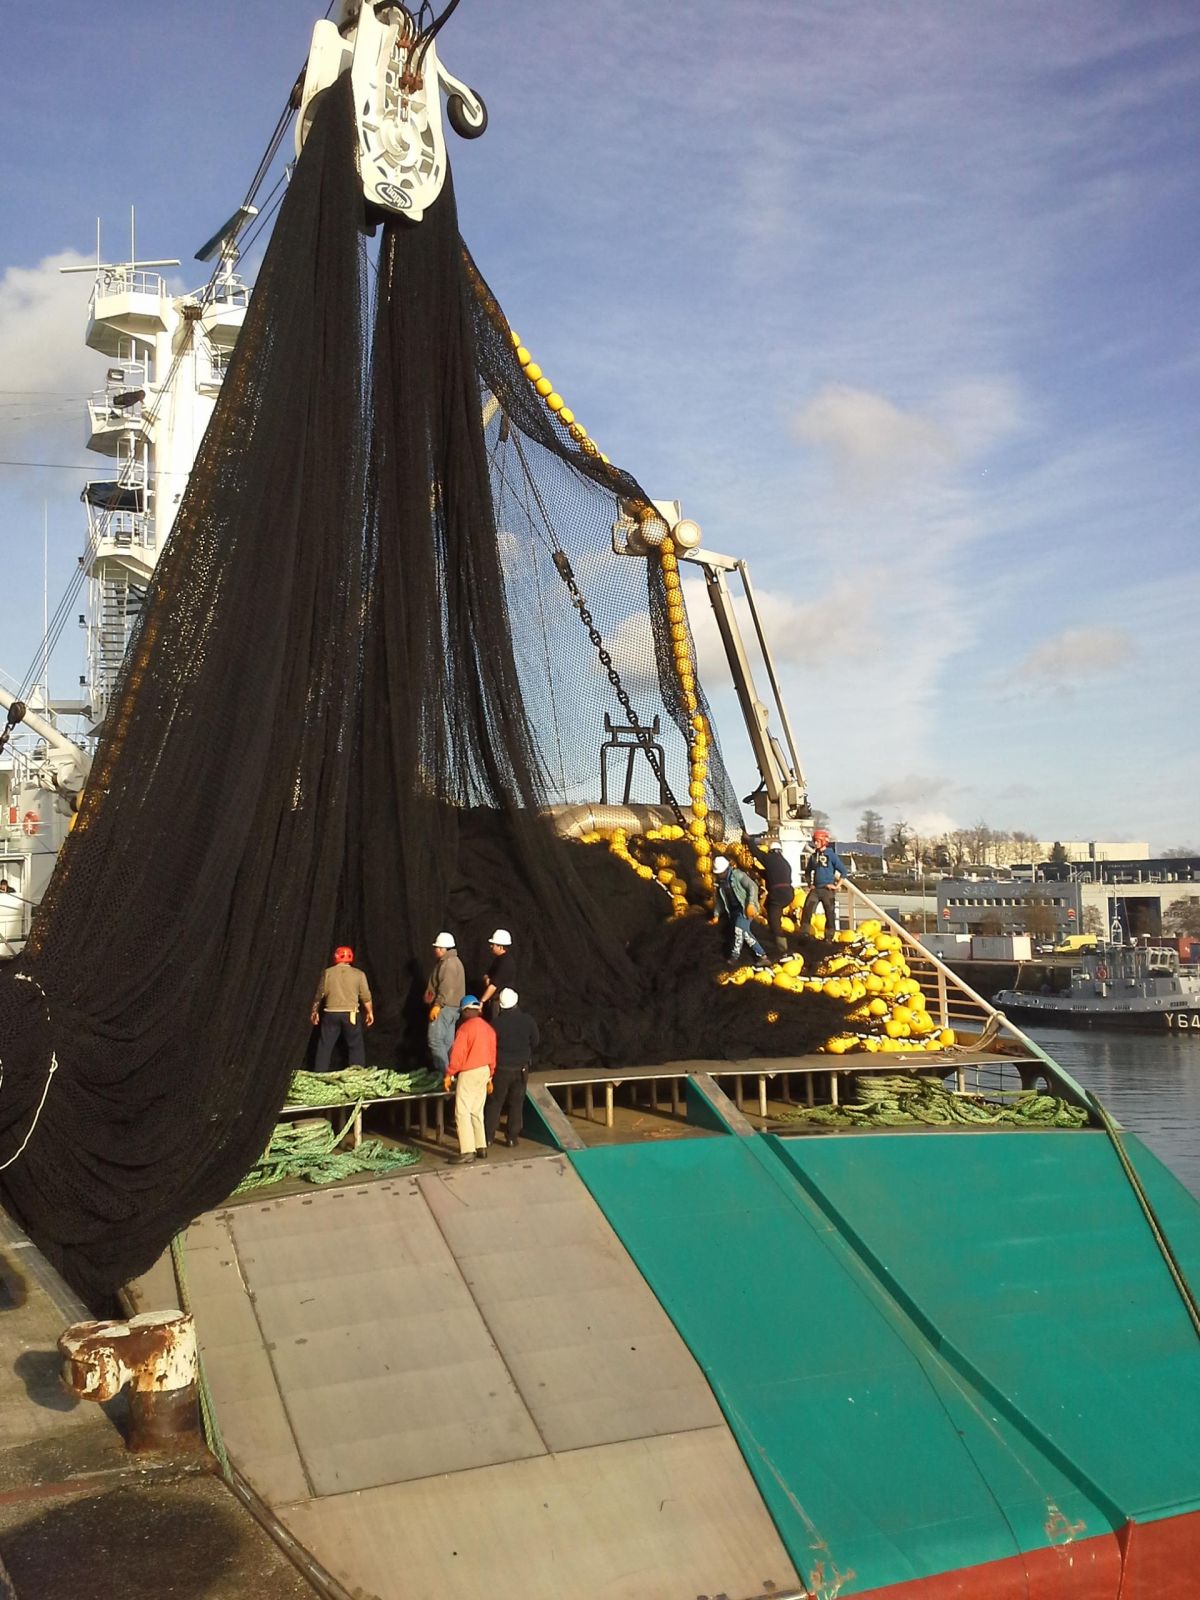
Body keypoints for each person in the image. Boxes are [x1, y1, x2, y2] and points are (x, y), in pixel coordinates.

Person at [444, 996, 496, 1164]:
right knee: (476, 1110)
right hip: (485, 1071)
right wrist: (490, 1076)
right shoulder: (489, 1029)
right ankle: (481, 1147)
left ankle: (467, 1151)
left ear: (466, 1011)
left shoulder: (464, 1029)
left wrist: (449, 1073)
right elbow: (493, 1055)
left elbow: (458, 1055)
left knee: (462, 1111)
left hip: (469, 1072)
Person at [485, 988, 539, 1149]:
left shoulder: (495, 1024)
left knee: (495, 1103)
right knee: (516, 1104)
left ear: (500, 1006)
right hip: (521, 1068)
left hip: (500, 1069)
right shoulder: (528, 1020)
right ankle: (511, 1138)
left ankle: (488, 1137)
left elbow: (489, 1046)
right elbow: (535, 1041)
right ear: (516, 1002)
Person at [310, 946, 374, 1072]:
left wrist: (314, 1012)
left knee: (325, 1046)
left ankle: (320, 1074)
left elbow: (318, 995)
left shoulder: (327, 973)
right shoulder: (359, 974)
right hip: (351, 1015)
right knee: (355, 1046)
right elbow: (366, 996)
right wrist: (370, 1012)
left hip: (330, 1014)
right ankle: (356, 1075)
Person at [712, 855, 769, 965]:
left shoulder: (737, 875)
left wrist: (751, 904)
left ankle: (734, 957)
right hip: (734, 911)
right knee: (745, 933)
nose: (720, 875)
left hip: (745, 908)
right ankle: (762, 956)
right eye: (718, 873)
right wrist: (716, 915)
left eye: (721, 872)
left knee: (739, 929)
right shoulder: (720, 883)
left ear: (726, 869)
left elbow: (752, 887)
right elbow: (720, 900)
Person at [423, 931, 466, 1072]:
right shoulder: (455, 962)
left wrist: (437, 1005)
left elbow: (446, 988)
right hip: (454, 1009)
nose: (435, 950)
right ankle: (451, 1073)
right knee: (448, 1043)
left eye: (436, 947)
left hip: (445, 1008)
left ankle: (444, 1076)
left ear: (442, 948)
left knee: (435, 1040)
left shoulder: (448, 964)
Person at [800, 830, 850, 938]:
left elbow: (844, 871)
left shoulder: (832, 855)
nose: (815, 843)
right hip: (816, 890)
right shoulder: (813, 856)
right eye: (814, 841)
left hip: (828, 890)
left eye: (817, 841)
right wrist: (810, 884)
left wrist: (837, 886)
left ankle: (828, 938)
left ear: (823, 841)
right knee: (807, 911)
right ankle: (804, 935)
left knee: (830, 914)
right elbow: (807, 871)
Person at [751, 838, 794, 958]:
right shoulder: (785, 863)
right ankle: (773, 932)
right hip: (788, 894)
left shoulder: (769, 858)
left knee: (774, 922)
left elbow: (756, 852)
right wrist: (757, 870)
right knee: (768, 908)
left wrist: (749, 840)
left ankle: (783, 949)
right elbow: (771, 874)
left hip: (778, 894)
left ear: (771, 851)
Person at [479, 928, 516, 1015]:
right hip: (495, 1000)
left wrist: (482, 1001)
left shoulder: (505, 963)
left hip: (499, 1002)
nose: (491, 946)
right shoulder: (499, 960)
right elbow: (487, 976)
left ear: (500, 946)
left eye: (493, 944)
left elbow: (493, 986)